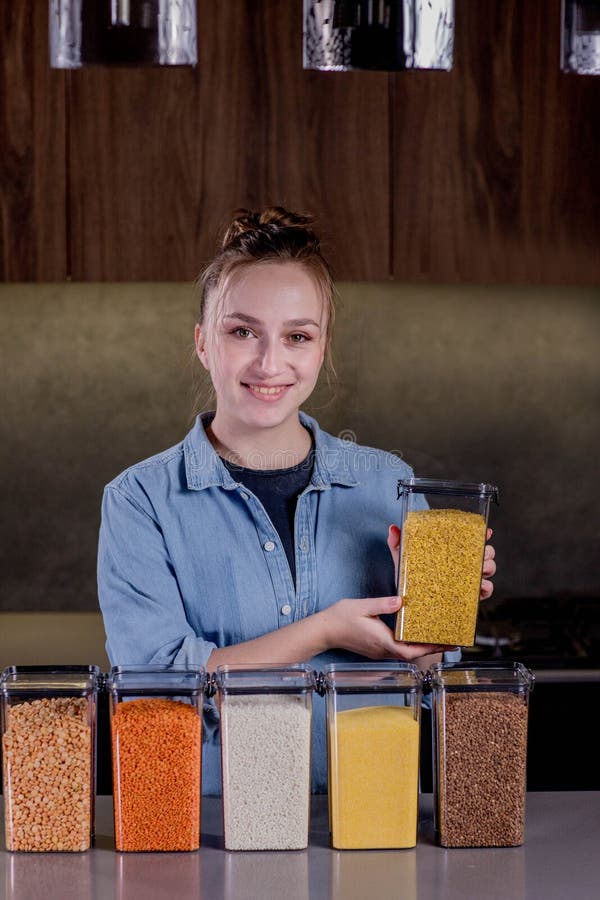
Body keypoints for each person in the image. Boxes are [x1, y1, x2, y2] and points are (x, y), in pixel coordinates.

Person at [98, 206, 496, 794]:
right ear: (204, 343)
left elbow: (431, 679)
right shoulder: (141, 501)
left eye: (297, 336)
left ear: (322, 347)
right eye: (242, 331)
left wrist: (441, 620)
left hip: (372, 819)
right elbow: (157, 689)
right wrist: (327, 630)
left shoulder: (389, 482)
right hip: (215, 835)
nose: (269, 363)